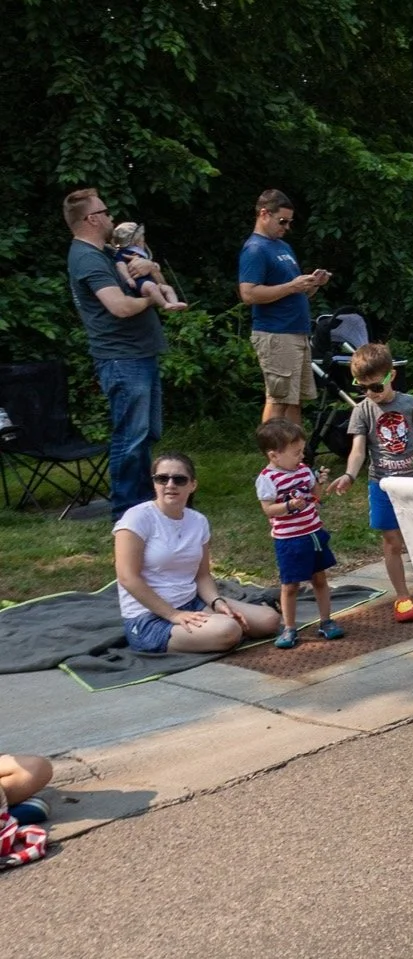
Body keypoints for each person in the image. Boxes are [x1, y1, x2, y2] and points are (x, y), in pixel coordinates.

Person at [114, 452, 281, 653]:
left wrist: (216, 602)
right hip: (149, 616)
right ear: (154, 483)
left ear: (192, 485)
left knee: (269, 620)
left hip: (192, 602)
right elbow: (127, 578)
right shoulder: (136, 518)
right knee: (229, 630)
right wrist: (173, 614)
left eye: (179, 479)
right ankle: (207, 633)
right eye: (162, 478)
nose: (170, 484)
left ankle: (210, 629)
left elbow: (202, 576)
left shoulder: (198, 521)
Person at [66, 189, 168, 519]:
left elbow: (153, 280)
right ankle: (126, 509)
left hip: (139, 354)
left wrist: (150, 267)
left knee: (146, 433)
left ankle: (140, 501)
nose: (111, 217)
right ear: (91, 218)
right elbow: (120, 307)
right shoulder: (86, 258)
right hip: (122, 359)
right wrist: (154, 300)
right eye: (105, 212)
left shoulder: (109, 253)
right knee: (131, 435)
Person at [327, 344, 413, 622]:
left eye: (376, 387)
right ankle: (402, 596)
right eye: (363, 388)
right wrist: (350, 475)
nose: (371, 393)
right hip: (382, 484)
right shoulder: (362, 411)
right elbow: (358, 450)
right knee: (391, 540)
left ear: (391, 376)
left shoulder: (409, 403)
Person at [238, 189, 328, 425]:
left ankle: (295, 457)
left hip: (296, 332)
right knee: (278, 399)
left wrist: (312, 284)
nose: (286, 227)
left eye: (289, 222)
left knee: (294, 399)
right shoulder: (255, 249)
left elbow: (295, 291)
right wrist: (291, 286)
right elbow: (248, 294)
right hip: (276, 334)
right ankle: (273, 457)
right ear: (264, 214)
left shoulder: (283, 247)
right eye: (282, 221)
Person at [254, 419, 344, 649]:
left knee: (320, 578)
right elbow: (268, 509)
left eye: (302, 451)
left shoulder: (303, 470)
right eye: (296, 453)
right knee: (290, 585)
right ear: (274, 456)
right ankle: (290, 627)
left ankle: (326, 621)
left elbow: (315, 497)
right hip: (289, 540)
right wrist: (289, 506)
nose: (301, 457)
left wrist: (319, 484)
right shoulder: (267, 479)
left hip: (313, 532)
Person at [108, 222, 185, 311]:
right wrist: (128, 278)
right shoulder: (124, 253)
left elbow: (149, 265)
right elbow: (120, 265)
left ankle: (174, 303)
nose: (143, 239)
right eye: (141, 237)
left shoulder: (141, 253)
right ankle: (165, 304)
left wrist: (153, 266)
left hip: (150, 280)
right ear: (135, 241)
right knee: (152, 287)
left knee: (168, 288)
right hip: (140, 282)